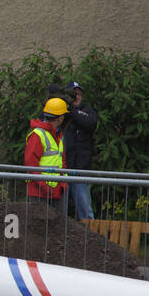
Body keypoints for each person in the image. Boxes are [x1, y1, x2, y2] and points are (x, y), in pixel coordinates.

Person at [60, 80, 98, 221]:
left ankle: (90, 239)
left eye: (79, 93)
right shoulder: (60, 113)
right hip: (62, 169)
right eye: (73, 94)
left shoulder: (87, 111)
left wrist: (71, 111)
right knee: (58, 211)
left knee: (86, 211)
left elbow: (90, 123)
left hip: (80, 168)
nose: (77, 96)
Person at [24, 97, 68, 215]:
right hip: (40, 192)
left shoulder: (57, 135)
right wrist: (44, 186)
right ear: (60, 118)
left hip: (56, 190)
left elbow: (61, 161)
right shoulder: (38, 135)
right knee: (39, 230)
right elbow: (30, 164)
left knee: (57, 228)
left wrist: (63, 183)